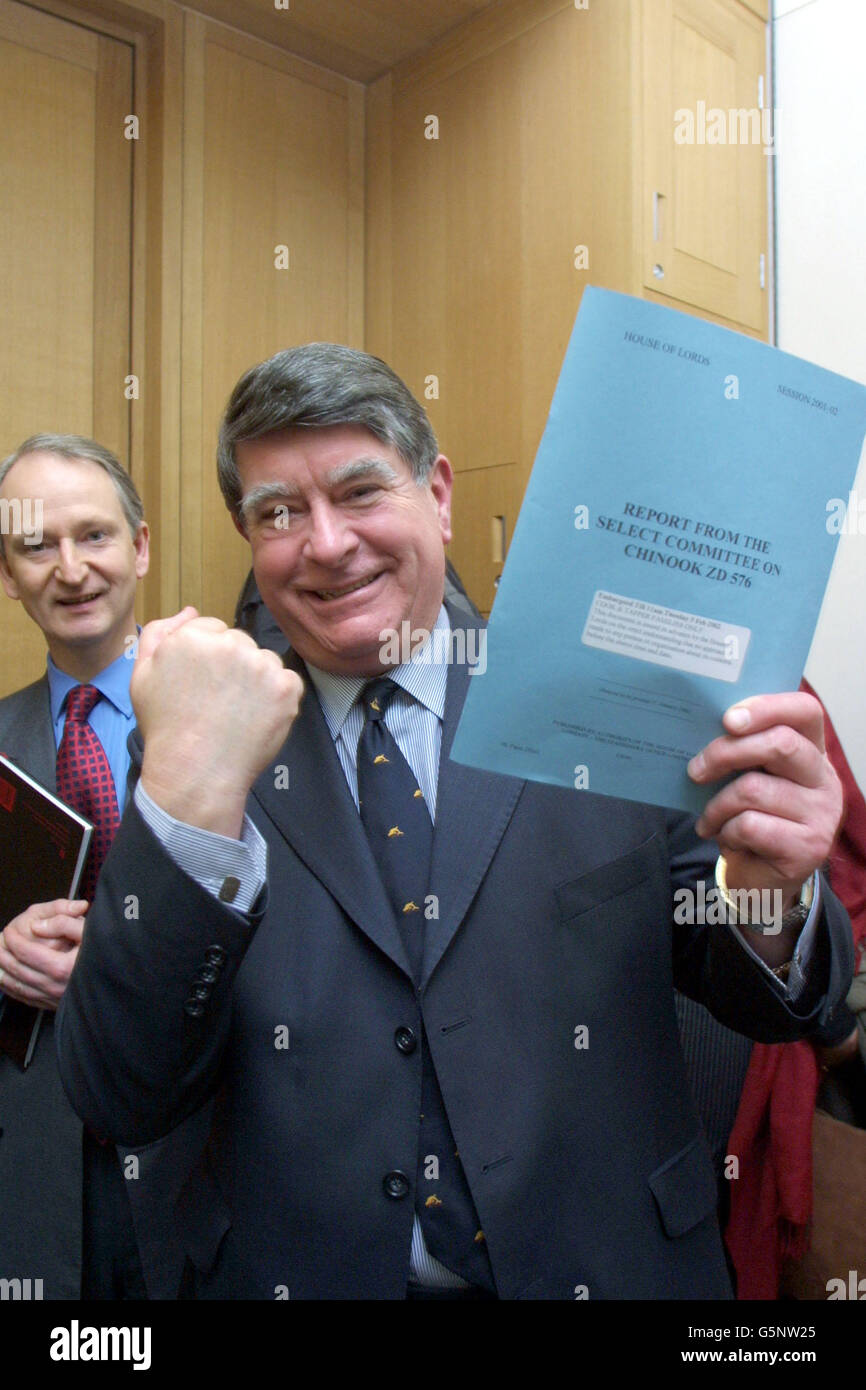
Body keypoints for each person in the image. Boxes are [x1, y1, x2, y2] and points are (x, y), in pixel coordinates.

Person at [58, 346, 853, 1299]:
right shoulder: (202, 743)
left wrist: (769, 900)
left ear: (437, 494)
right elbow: (123, 1089)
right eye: (278, 512)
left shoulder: (601, 692)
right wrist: (188, 799)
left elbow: (765, 1004)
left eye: (361, 492)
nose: (325, 543)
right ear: (247, 533)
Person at [0, 435, 206, 1299]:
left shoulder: (230, 723)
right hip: (41, 1163)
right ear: (8, 574)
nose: (70, 569)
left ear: (142, 548)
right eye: (35, 546)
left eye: (95, 536)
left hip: (209, 1148)